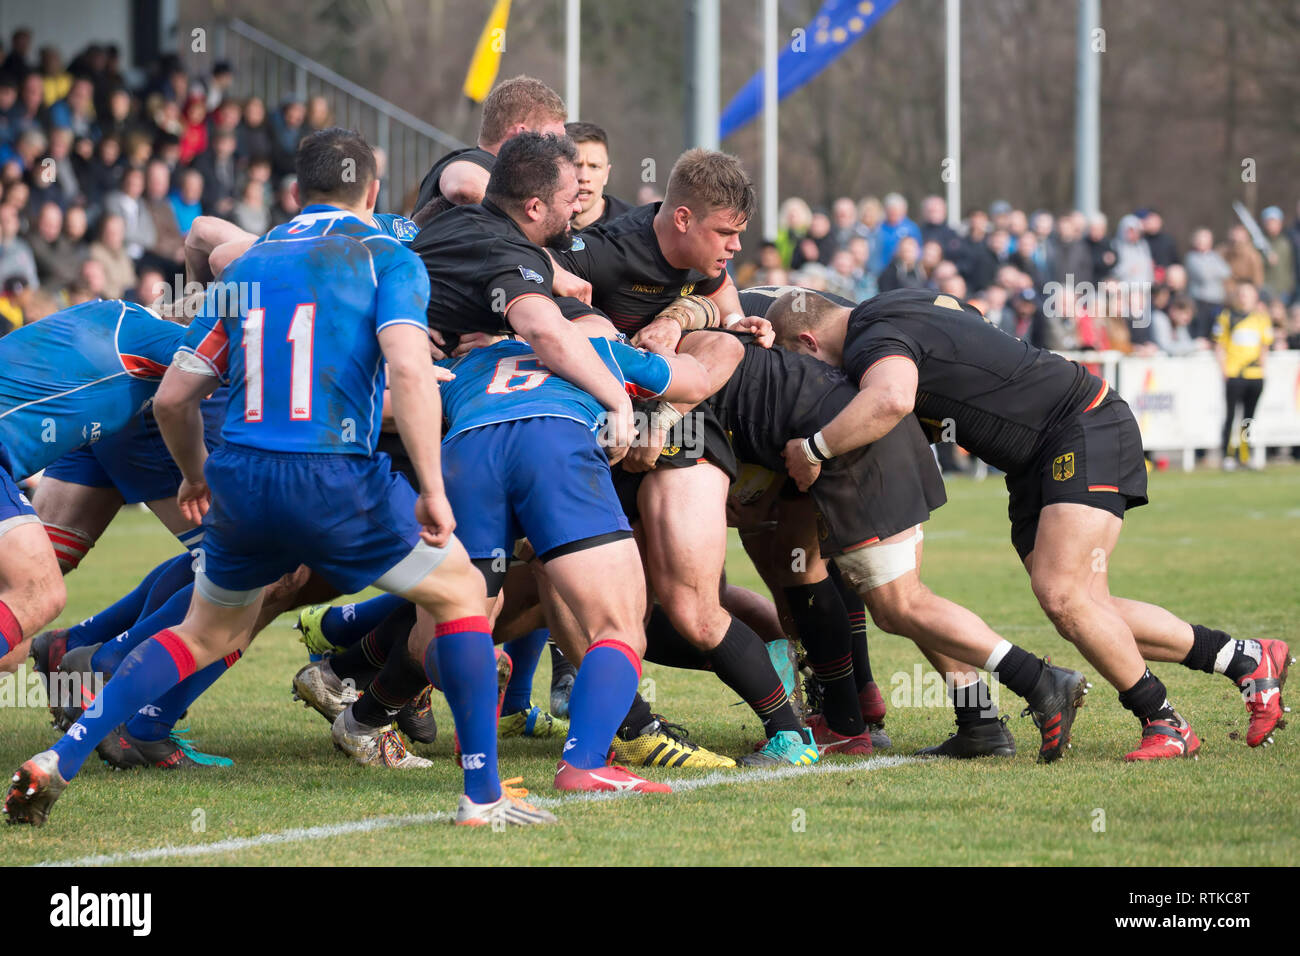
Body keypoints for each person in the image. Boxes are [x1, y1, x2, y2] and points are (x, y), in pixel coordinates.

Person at [4, 128, 556, 828]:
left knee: (205, 632)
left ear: (296, 193)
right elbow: (411, 371)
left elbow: (176, 398)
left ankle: (65, 755)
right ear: (373, 192)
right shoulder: (389, 256)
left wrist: (196, 478)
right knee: (461, 593)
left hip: (242, 477)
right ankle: (483, 795)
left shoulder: (251, 266)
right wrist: (434, 487)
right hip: (335, 476)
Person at [769, 288, 1291, 759]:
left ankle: (1164, 720)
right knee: (1086, 604)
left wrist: (816, 446)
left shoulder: (867, 340)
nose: (819, 384)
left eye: (804, 368)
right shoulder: (896, 302)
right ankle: (1244, 657)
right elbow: (963, 318)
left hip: (1078, 425)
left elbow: (892, 397)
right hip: (1037, 453)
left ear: (811, 341)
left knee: (1066, 596)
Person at [0, 298, 195, 675]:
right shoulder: (144, 331)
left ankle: (77, 656)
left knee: (13, 643)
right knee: (40, 593)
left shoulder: (102, 338)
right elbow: (219, 359)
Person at [410, 75, 567, 221]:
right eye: (552, 138)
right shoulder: (475, 161)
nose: (558, 150)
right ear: (521, 136)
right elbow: (465, 187)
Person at [1214, 281, 1272, 471]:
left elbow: (1265, 345)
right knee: (1231, 415)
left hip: (1255, 375)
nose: (1244, 297)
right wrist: (1224, 369)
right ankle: (1228, 455)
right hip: (1234, 374)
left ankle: (1245, 454)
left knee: (1248, 419)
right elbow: (1219, 344)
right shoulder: (1227, 317)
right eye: (1241, 293)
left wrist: (1263, 367)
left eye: (1248, 293)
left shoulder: (1261, 318)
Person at [565, 121, 632, 231]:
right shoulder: (535, 225)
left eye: (594, 166)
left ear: (606, 173)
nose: (584, 177)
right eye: (575, 165)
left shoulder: (633, 227)